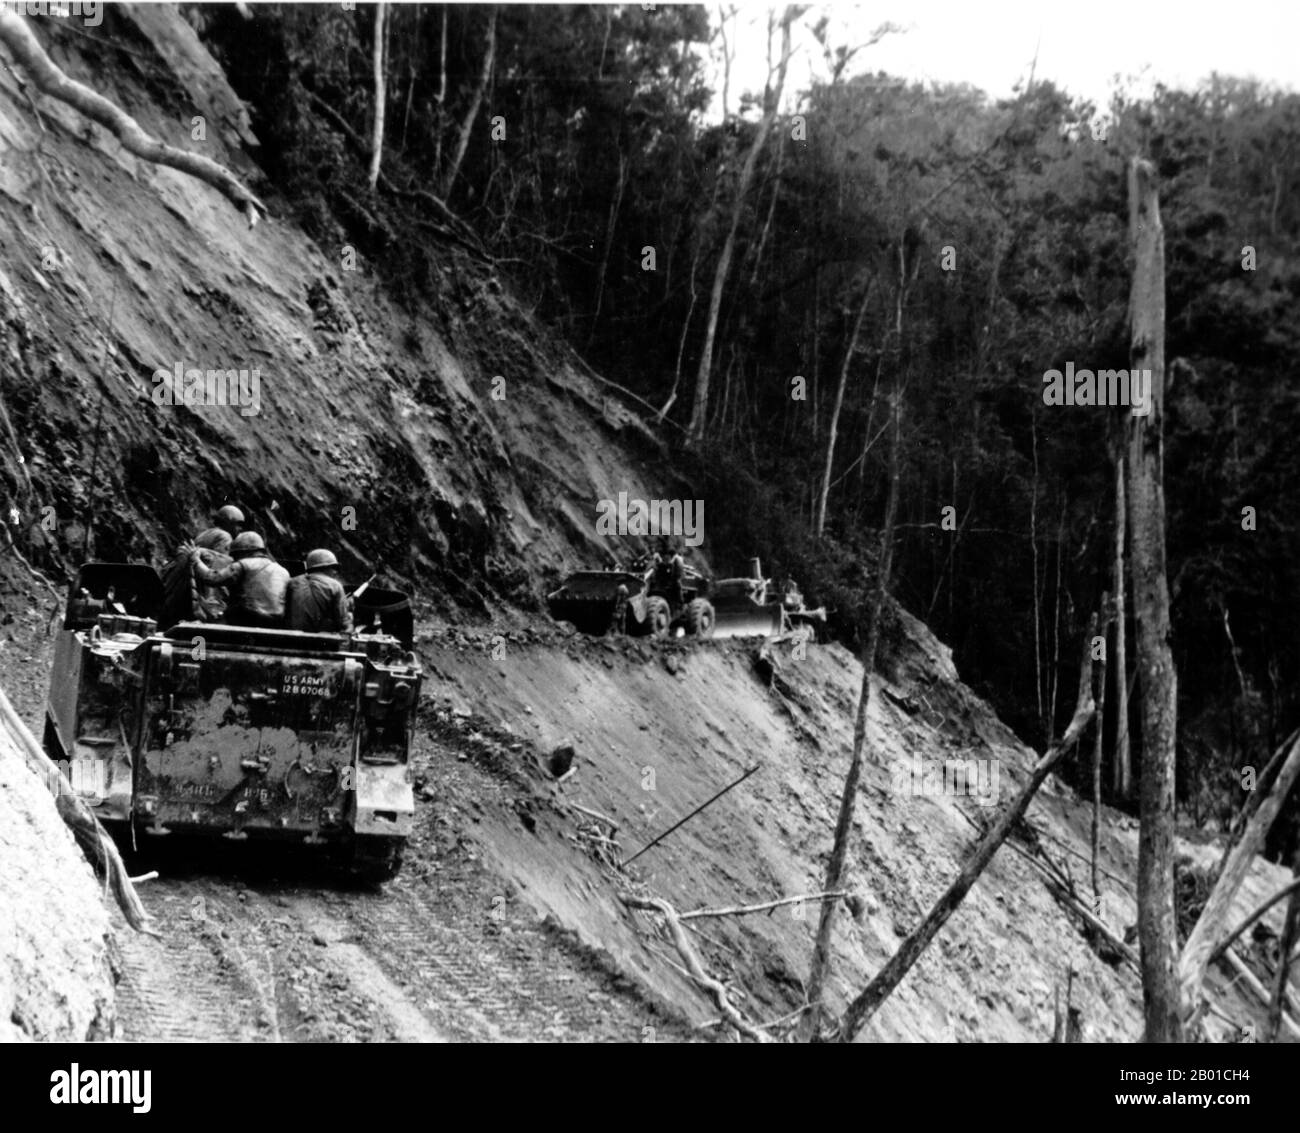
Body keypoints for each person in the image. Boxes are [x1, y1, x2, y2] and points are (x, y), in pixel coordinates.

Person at [189, 531, 289, 628]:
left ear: (241, 552)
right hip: (278, 621)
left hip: (249, 618)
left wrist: (196, 560)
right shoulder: (283, 571)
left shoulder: (243, 564)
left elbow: (212, 578)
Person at [285, 548, 353, 634]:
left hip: (292, 636)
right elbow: (344, 624)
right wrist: (348, 610)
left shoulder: (291, 582)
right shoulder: (335, 585)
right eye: (333, 568)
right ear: (324, 568)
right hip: (320, 640)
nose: (335, 572)